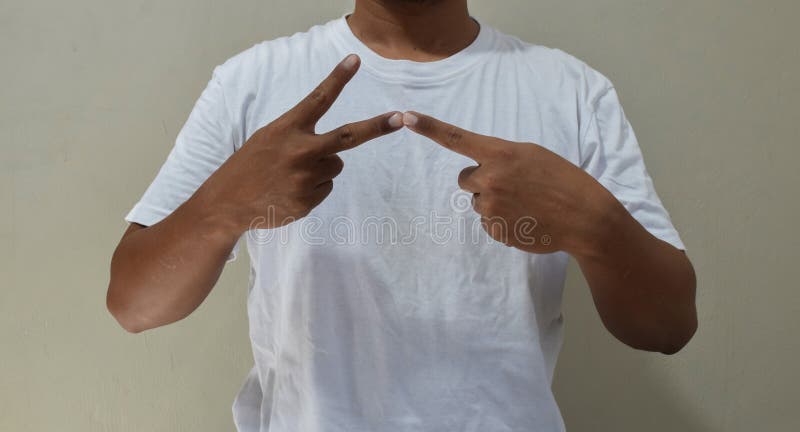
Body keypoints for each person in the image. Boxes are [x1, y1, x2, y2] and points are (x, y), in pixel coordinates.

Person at [107, 1, 697, 430]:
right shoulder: (250, 82)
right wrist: (220, 210)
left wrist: (595, 227)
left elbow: (669, 327)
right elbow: (134, 306)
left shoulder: (572, 91)